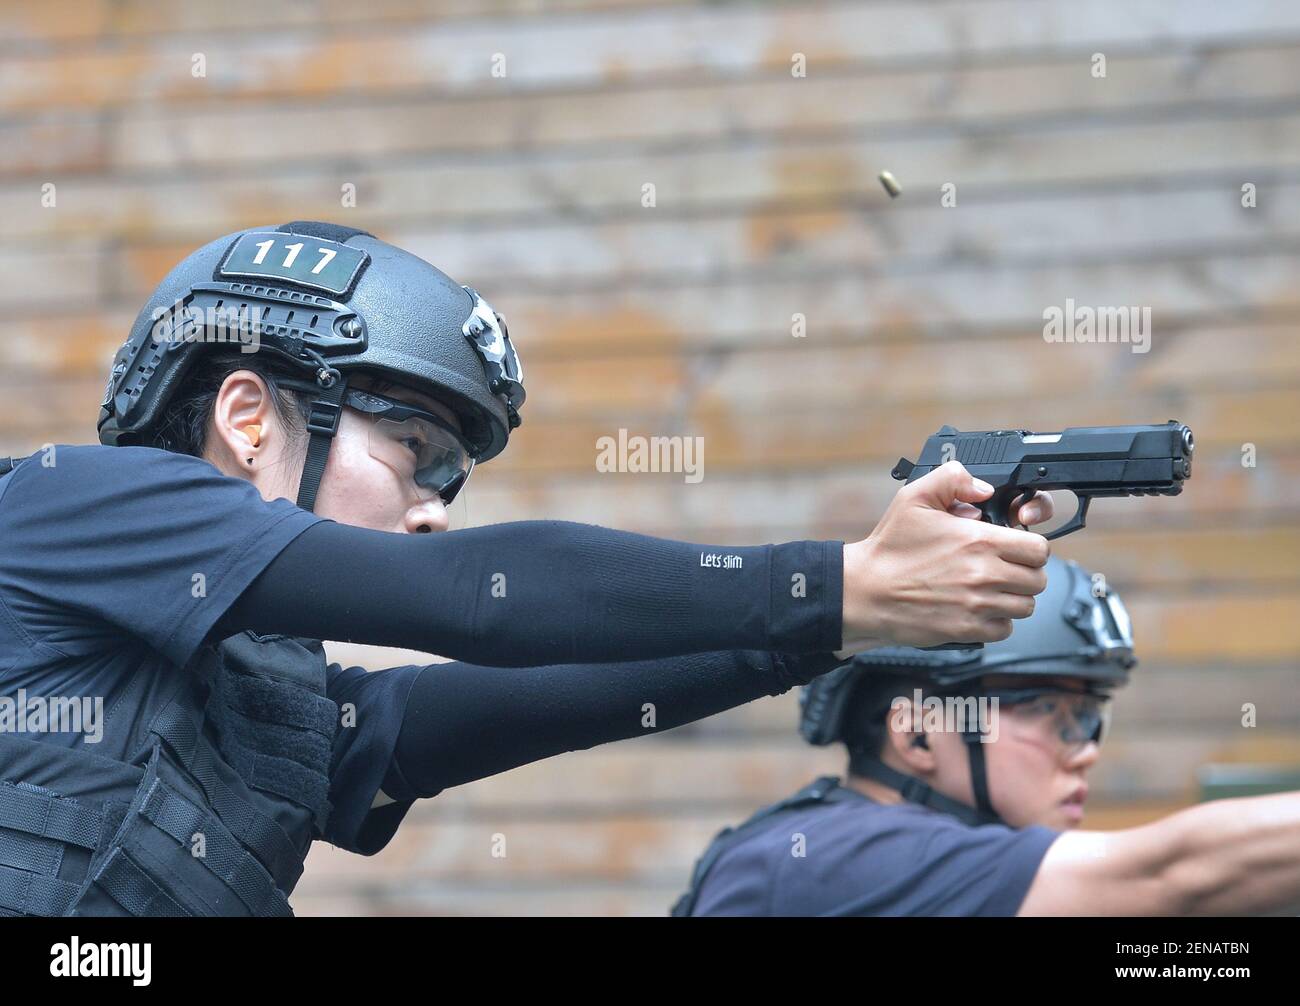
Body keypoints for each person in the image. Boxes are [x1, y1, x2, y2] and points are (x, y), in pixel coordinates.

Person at [0, 221, 1053, 917]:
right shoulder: (82, 501)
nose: (431, 511)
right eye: (416, 454)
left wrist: (841, 621)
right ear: (246, 415)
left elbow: (474, 709)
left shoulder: (256, 686)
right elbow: (476, 605)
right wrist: (833, 578)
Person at [675, 556, 1300, 917]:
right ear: (918, 734)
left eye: (1089, 716)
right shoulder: (845, 856)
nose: (1086, 749)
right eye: (1053, 714)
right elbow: (1171, 875)